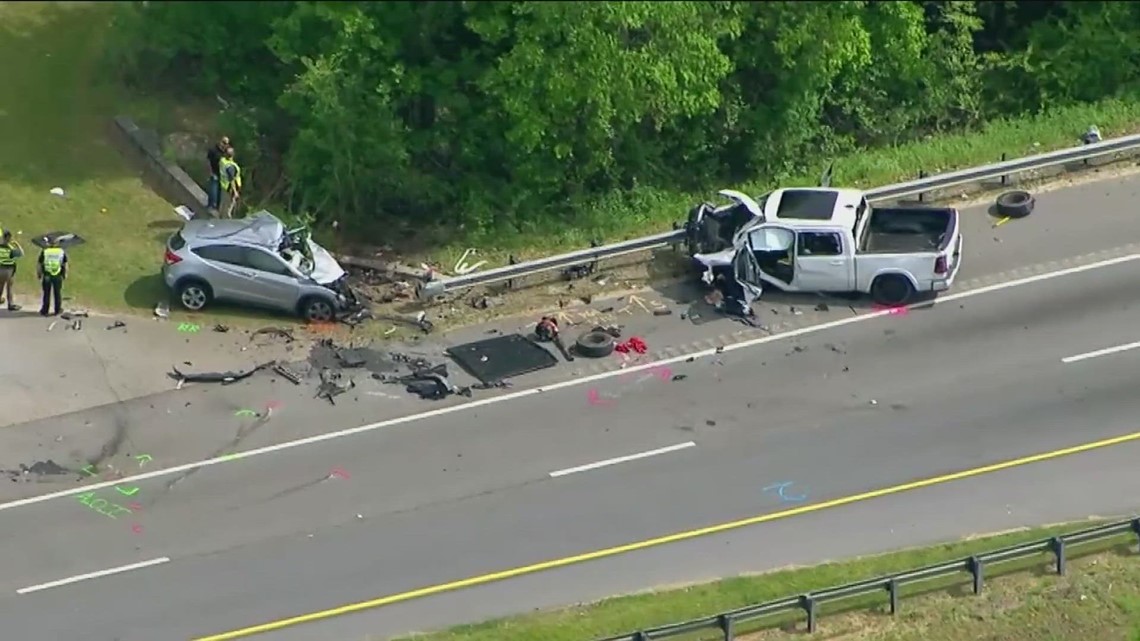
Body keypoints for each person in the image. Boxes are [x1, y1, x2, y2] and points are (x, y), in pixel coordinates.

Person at [37, 236, 68, 317]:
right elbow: (65, 264)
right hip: (57, 275)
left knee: (46, 293)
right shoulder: (61, 251)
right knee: (57, 293)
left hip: (47, 275)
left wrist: (39, 274)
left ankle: (45, 310)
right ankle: (57, 310)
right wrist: (65, 274)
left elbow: (40, 264)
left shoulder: (45, 251)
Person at [0, 228, 24, 311]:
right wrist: (17, 245)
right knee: (9, 288)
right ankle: (11, 304)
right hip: (9, 270)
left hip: (0, 269)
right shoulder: (10, 248)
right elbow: (21, 254)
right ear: (9, 238)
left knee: (0, 286)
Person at [205, 135, 230, 213]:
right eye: (223, 142)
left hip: (222, 175)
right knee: (213, 189)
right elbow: (207, 161)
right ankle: (211, 205)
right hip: (214, 172)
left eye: (226, 144)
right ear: (220, 142)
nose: (224, 145)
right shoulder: (213, 150)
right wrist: (210, 172)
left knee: (219, 191)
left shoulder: (225, 153)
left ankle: (217, 207)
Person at [218, 146, 242, 219]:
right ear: (233, 155)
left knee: (222, 205)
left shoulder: (222, 161)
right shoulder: (231, 167)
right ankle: (226, 223)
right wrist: (235, 192)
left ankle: (220, 219)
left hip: (223, 186)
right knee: (228, 208)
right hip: (230, 189)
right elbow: (232, 180)